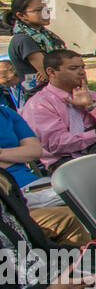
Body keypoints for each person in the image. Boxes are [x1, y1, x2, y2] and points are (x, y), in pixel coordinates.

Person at [21, 50, 96, 171]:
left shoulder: (92, 96)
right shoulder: (39, 104)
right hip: (65, 163)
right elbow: (56, 144)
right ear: (51, 72)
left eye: (82, 67)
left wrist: (92, 106)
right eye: (73, 68)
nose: (81, 72)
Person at [0, 103, 88, 245]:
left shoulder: (5, 113)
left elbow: (34, 151)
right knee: (76, 207)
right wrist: (16, 154)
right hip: (10, 194)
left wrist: (2, 153)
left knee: (87, 193)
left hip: (33, 184)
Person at [6, 0, 66, 100]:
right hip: (42, 100)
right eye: (39, 10)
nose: (46, 13)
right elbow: (49, 73)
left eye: (47, 9)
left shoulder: (46, 36)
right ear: (21, 15)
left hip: (56, 94)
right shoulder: (24, 40)